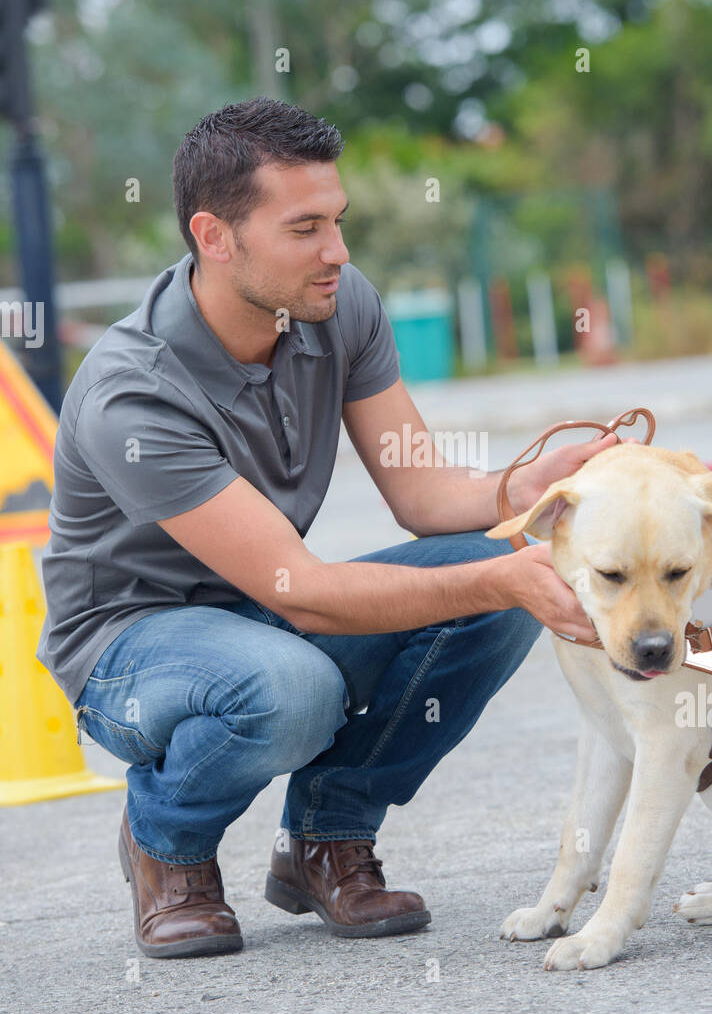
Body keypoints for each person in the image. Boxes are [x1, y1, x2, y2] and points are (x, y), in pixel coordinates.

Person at [37, 97, 609, 959]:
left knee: (499, 573)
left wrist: (517, 490)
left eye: (337, 222)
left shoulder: (335, 305)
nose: (336, 252)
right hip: (130, 649)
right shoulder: (135, 392)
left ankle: (326, 841)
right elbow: (300, 593)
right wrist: (495, 577)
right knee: (293, 687)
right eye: (305, 228)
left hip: (263, 618)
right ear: (214, 235)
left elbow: (419, 491)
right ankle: (167, 846)